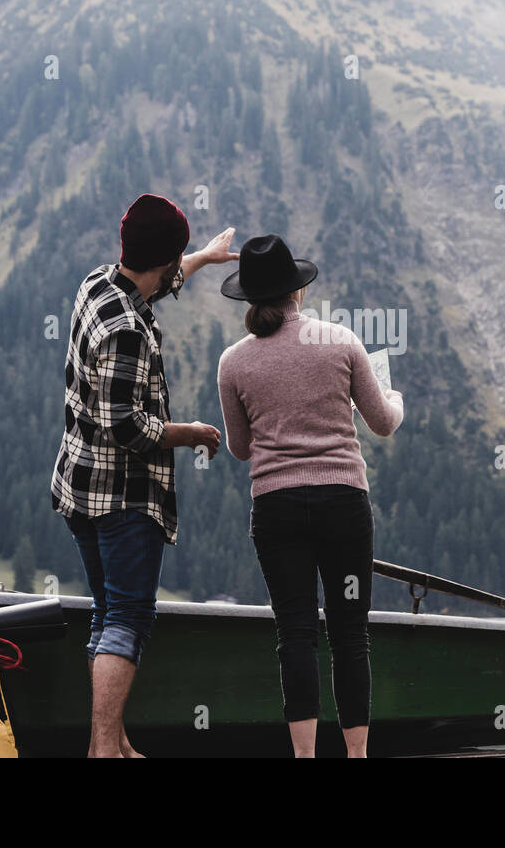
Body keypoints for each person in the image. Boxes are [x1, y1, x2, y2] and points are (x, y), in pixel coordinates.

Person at [51, 193, 238, 758]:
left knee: (108, 615)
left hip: (79, 486)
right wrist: (192, 433)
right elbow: (126, 428)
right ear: (159, 260)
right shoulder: (128, 328)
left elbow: (155, 281)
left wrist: (202, 258)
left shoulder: (99, 284)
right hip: (122, 497)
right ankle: (104, 750)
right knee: (128, 618)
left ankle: (111, 741)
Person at [216, 234, 404, 757]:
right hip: (342, 504)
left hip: (276, 509)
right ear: (297, 292)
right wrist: (396, 399)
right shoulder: (341, 342)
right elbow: (383, 424)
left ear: (251, 300)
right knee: (350, 634)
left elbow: (239, 448)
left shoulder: (233, 362)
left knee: (294, 632)